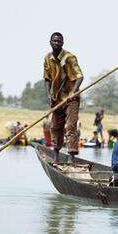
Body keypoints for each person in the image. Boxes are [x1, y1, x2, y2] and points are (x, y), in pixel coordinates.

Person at [43, 32, 84, 163]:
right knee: (55, 127)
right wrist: (48, 95)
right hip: (57, 99)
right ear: (50, 42)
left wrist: (73, 92)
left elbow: (79, 76)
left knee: (71, 127)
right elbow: (47, 79)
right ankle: (55, 156)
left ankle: (71, 157)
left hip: (71, 99)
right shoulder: (48, 58)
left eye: (59, 41)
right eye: (54, 41)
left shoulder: (69, 57)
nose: (56, 43)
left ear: (62, 43)